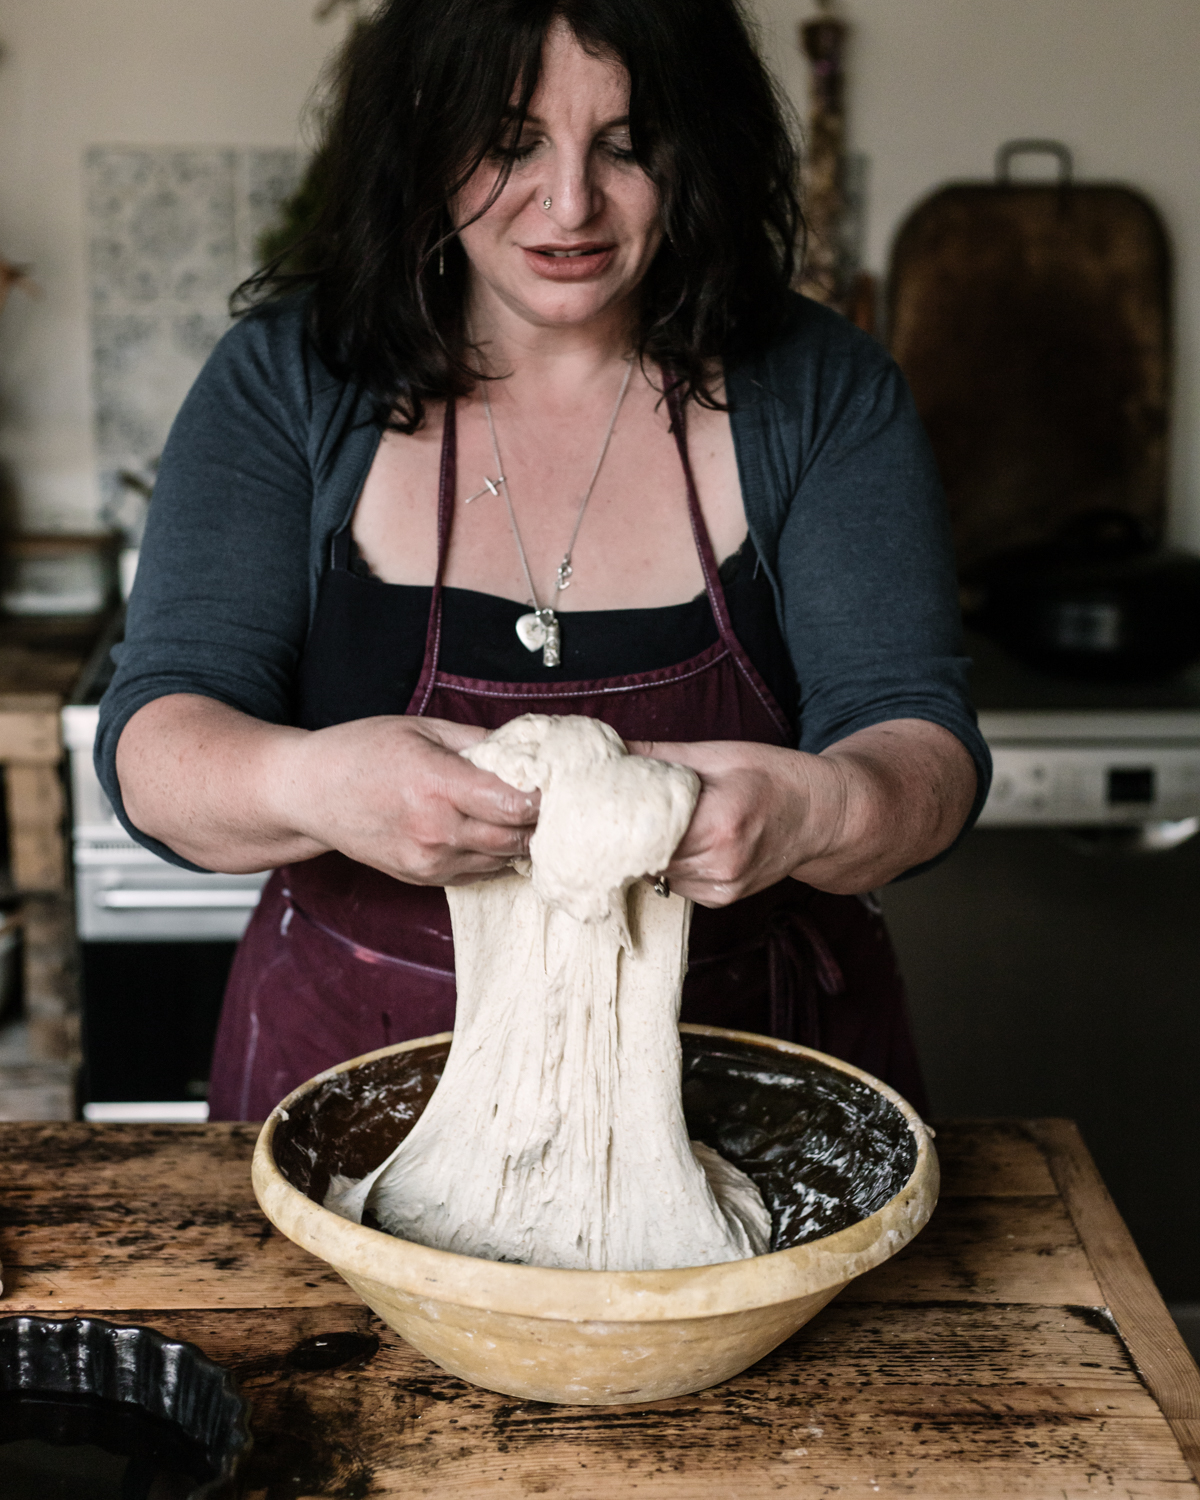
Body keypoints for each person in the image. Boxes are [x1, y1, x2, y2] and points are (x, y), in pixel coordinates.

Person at [97, 0, 990, 1123]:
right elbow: (157, 751)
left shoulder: (822, 392)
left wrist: (817, 810)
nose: (570, 203)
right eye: (510, 142)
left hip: (753, 1086)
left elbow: (925, 748)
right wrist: (318, 785)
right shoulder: (289, 383)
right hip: (349, 1083)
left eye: (627, 144)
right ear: (423, 139)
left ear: (699, 147)